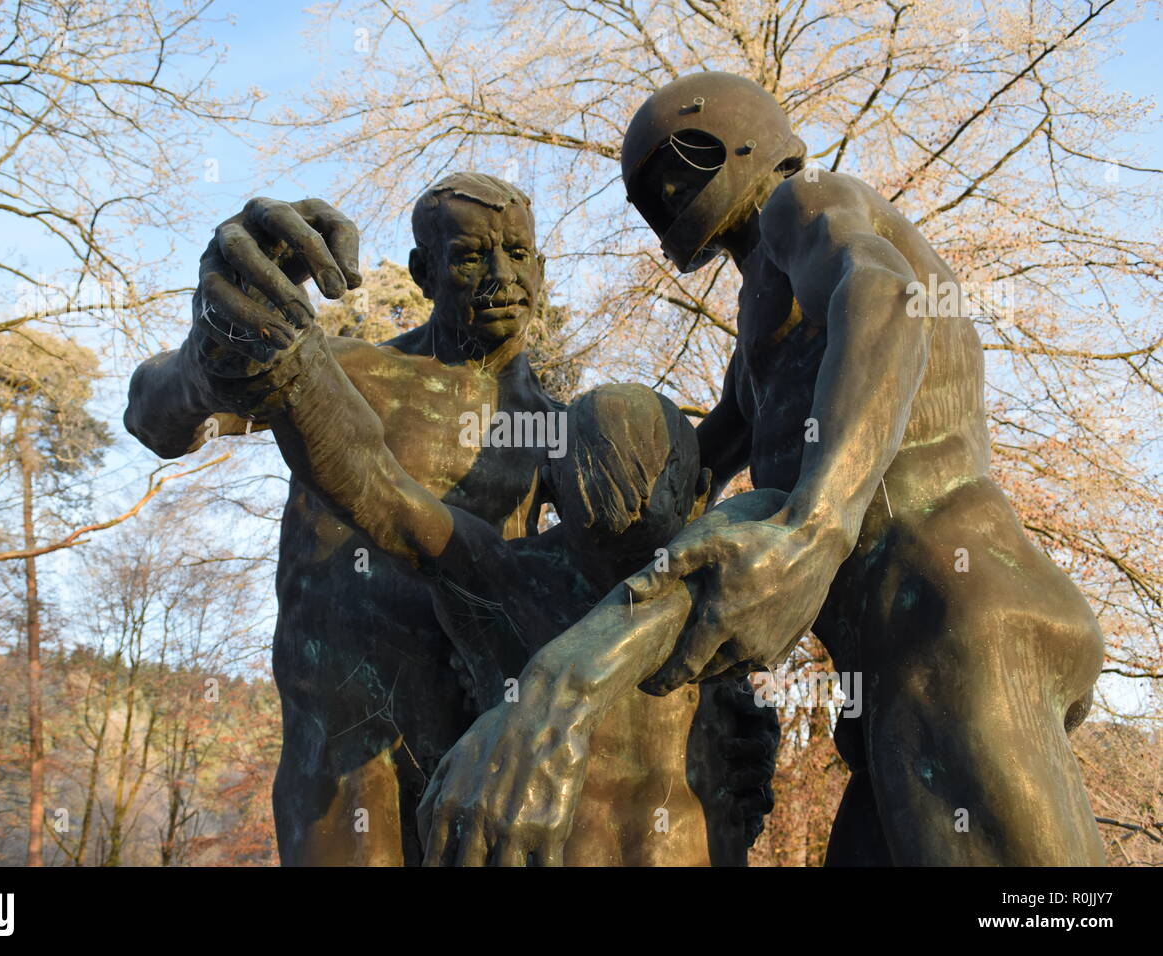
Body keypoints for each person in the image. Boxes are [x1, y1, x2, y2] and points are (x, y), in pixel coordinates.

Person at [422, 72, 1105, 866]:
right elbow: (693, 468)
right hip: (895, 667)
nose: (670, 198)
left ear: (735, 141)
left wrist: (819, 522)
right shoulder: (763, 323)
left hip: (959, 621)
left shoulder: (806, 202)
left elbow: (882, 297)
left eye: (678, 170)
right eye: (654, 191)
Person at [125, 173, 561, 865]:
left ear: (541, 269)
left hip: (479, 744)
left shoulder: (557, 431)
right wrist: (216, 351)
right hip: (344, 742)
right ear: (425, 271)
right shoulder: (345, 372)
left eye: (518, 253)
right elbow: (156, 417)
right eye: (472, 255)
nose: (501, 276)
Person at [255, 326, 779, 863]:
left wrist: (287, 363)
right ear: (699, 491)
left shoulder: (505, 579)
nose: (632, 503)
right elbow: (374, 488)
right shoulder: (718, 589)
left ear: (548, 489)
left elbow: (375, 487)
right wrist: (289, 364)